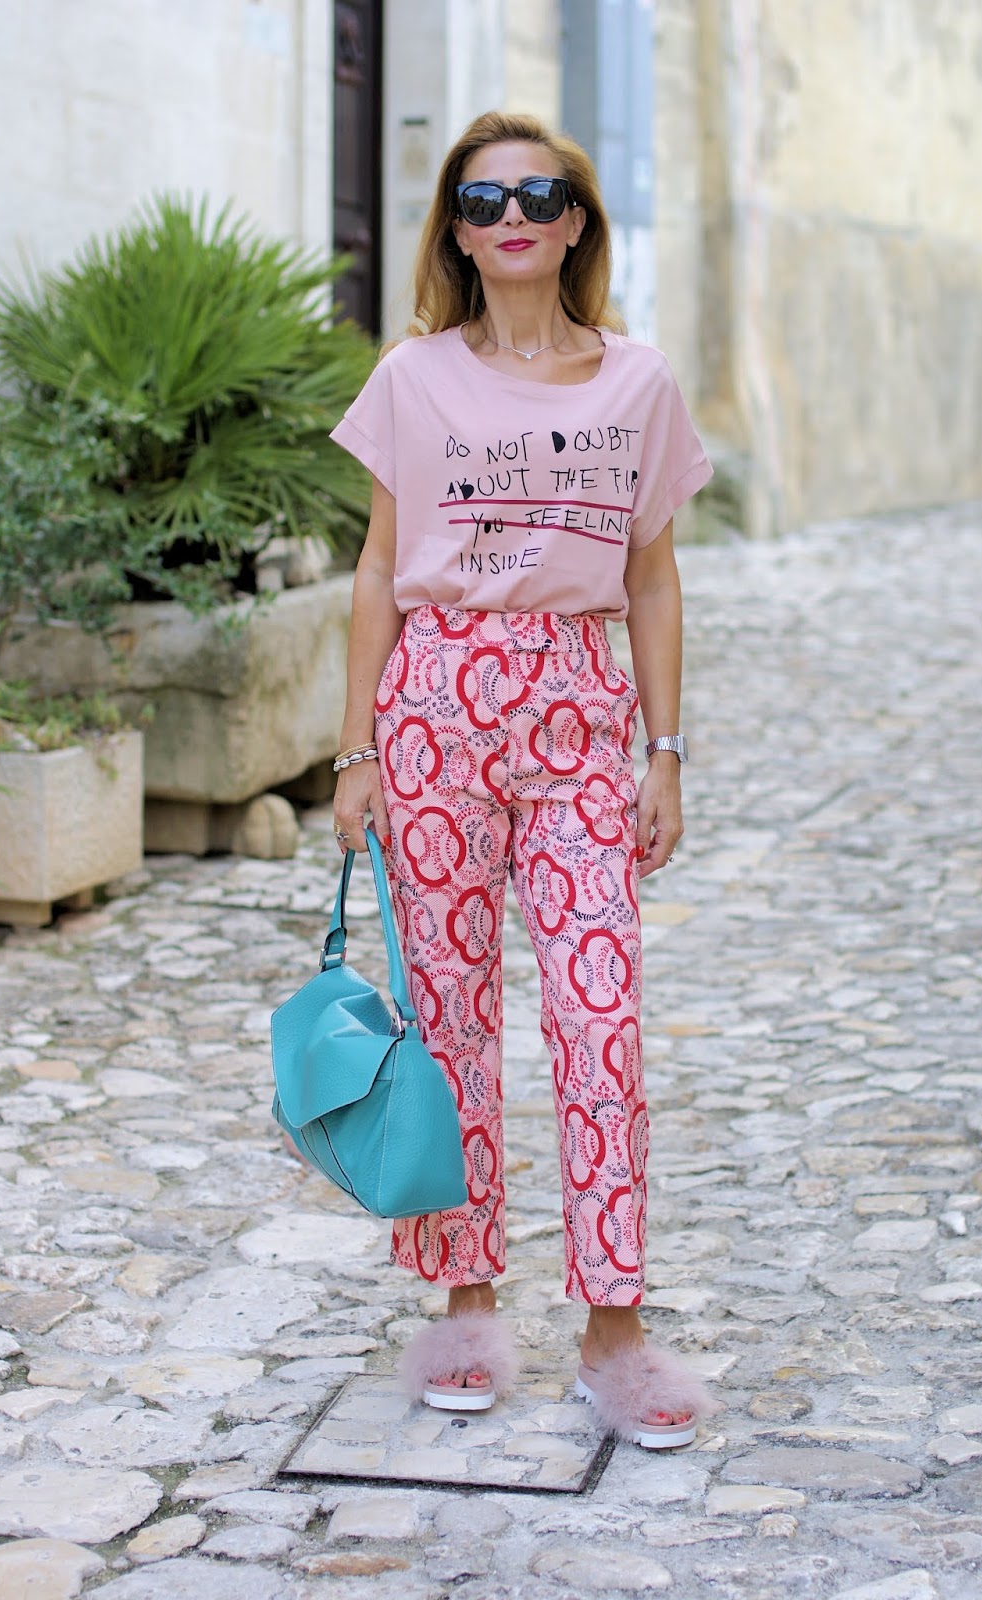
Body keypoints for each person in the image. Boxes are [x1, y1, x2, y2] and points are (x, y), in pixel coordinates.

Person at [329, 109, 718, 1449]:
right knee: (446, 1032)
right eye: (481, 201)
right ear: (454, 228)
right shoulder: (414, 377)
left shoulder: (639, 381)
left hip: (576, 711)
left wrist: (664, 750)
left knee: (598, 1021)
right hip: (434, 705)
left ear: (574, 221)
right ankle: (467, 1306)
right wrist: (358, 748)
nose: (509, 219)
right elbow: (379, 568)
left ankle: (614, 1331)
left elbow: (655, 577)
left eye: (536, 195)